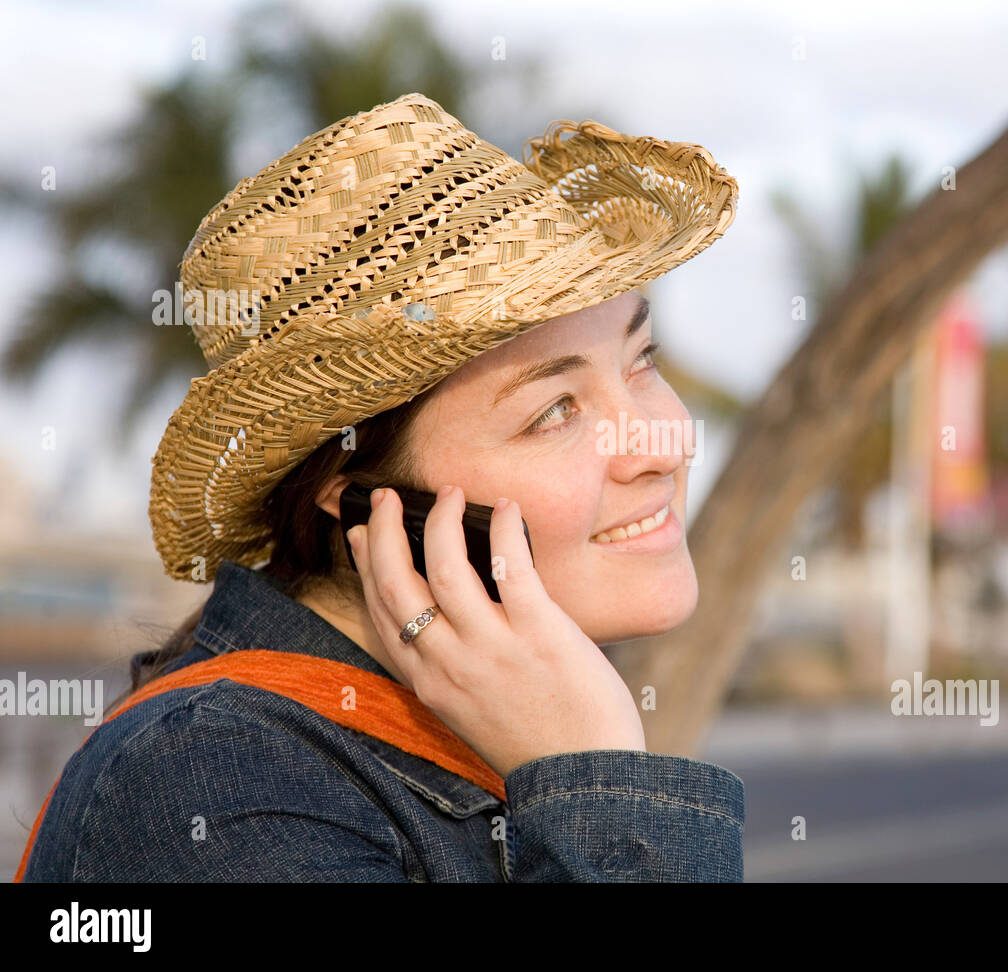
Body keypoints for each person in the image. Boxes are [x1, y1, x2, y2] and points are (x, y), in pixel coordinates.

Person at [16, 93, 744, 882]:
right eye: (554, 410)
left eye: (642, 358)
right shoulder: (219, 786)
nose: (657, 446)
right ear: (351, 488)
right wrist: (597, 776)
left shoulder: (478, 735)